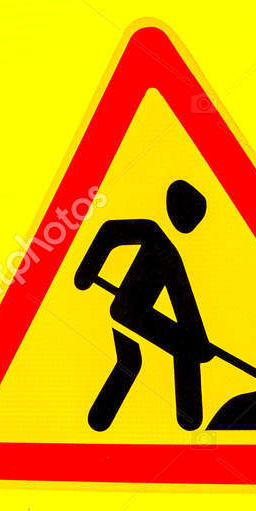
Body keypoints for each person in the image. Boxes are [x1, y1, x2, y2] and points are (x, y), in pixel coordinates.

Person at [73, 179, 212, 431]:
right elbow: (108, 232)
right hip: (129, 310)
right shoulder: (155, 236)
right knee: (147, 357)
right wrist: (86, 271)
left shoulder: (169, 252)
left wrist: (199, 340)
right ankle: (189, 415)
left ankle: (189, 415)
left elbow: (182, 300)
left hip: (136, 313)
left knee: (171, 351)